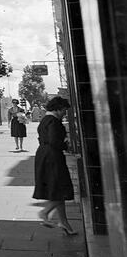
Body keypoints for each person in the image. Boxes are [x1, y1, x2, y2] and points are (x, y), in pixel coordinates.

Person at [33, 96, 77, 235]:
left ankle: (64, 223)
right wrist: (66, 145)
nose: (65, 113)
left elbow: (42, 138)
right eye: (64, 110)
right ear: (57, 109)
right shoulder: (54, 122)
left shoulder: (45, 120)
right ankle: (45, 212)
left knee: (57, 189)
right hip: (53, 157)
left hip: (45, 155)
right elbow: (54, 141)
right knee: (61, 188)